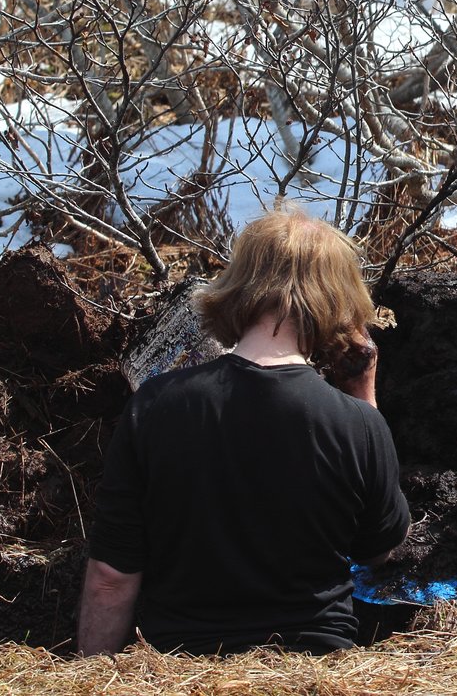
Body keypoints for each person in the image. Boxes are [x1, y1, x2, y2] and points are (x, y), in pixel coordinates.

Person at [77, 204, 410, 657]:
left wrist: (92, 676)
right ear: (339, 303)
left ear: (239, 287)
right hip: (316, 671)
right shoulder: (358, 423)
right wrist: (363, 397)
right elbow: (379, 550)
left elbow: (112, 576)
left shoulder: (155, 406)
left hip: (180, 671)